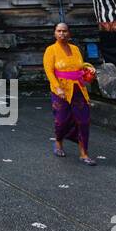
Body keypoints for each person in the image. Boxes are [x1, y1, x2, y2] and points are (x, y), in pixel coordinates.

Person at [44, 23, 96, 165]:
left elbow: (80, 66)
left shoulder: (75, 49)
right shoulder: (51, 50)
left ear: (69, 33)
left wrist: (89, 68)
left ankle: (84, 154)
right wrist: (57, 87)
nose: (62, 34)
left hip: (78, 88)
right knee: (61, 121)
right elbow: (49, 71)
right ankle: (59, 141)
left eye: (65, 31)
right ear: (55, 33)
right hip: (60, 89)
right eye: (59, 31)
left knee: (84, 120)